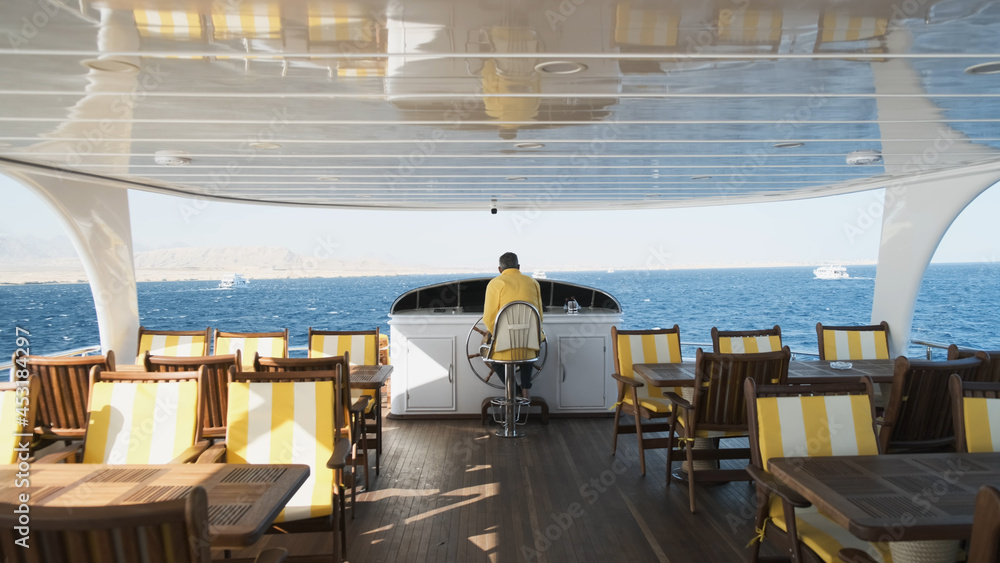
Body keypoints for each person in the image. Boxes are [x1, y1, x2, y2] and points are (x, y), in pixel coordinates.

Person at [483, 252, 544, 400]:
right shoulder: (533, 283)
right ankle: (525, 388)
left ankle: (515, 391)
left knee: (491, 359)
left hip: (505, 349)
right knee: (526, 352)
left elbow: (489, 318)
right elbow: (539, 316)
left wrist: (496, 335)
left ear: (499, 269)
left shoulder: (495, 284)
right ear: (519, 267)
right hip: (530, 348)